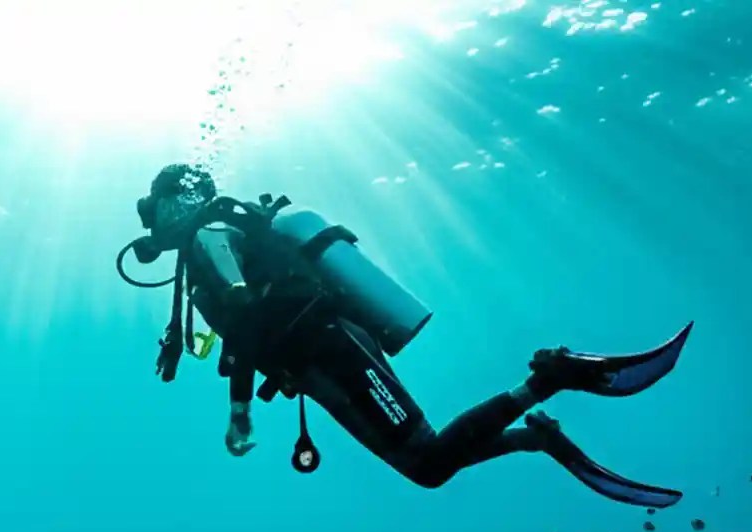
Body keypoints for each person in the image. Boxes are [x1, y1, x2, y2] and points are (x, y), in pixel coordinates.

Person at [118, 164, 690, 508]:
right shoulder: (210, 244)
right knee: (426, 469)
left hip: (332, 352)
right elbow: (246, 323)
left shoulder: (208, 237)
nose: (157, 219)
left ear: (179, 201)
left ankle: (549, 380)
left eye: (161, 205)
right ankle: (532, 435)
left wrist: (239, 410)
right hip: (317, 370)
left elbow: (243, 316)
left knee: (430, 457)